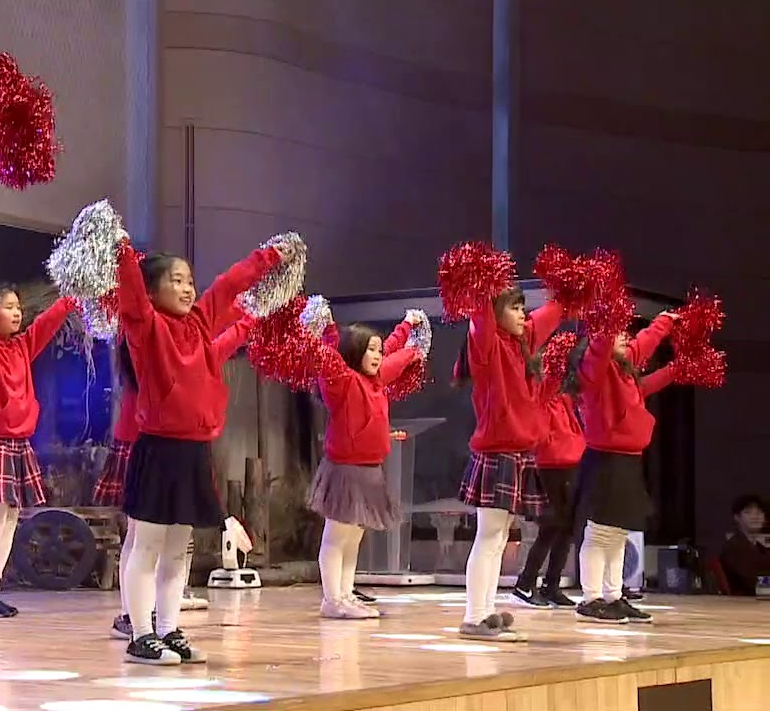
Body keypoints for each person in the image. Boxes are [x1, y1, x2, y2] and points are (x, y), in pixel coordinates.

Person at [114, 236, 293, 665]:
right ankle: (140, 634)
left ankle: (169, 629)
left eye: (189, 280)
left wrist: (268, 257)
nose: (187, 287)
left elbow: (229, 286)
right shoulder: (145, 326)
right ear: (153, 291)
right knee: (148, 546)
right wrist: (122, 253)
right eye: (176, 281)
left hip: (195, 451)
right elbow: (131, 294)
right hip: (159, 450)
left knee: (180, 548)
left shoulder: (199, 323)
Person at [101, 311, 256, 640]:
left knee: (169, 541)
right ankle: (135, 618)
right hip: (147, 448)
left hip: (179, 449)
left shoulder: (183, 354)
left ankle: (160, 616)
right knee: (140, 538)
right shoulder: (147, 349)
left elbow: (222, 343)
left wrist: (251, 314)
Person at [0, 284, 76, 617]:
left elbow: (47, 324)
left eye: (18, 306)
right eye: (7, 306)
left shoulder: (22, 346)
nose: (17, 312)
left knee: (8, 520)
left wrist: (72, 297)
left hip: (18, 442)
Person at [450, 286, 563, 642]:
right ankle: (474, 616)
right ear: (496, 311)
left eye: (522, 308)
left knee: (499, 537)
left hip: (515, 453)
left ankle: (485, 610)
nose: (522, 315)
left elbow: (548, 317)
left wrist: (572, 293)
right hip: (497, 452)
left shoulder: (521, 343)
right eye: (514, 308)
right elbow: (480, 320)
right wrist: (481, 287)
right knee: (489, 536)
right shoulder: (486, 346)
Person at [307, 312, 427, 620]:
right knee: (337, 536)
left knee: (353, 537)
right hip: (345, 471)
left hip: (370, 470)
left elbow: (396, 351)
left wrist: (409, 329)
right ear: (354, 351)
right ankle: (332, 599)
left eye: (378, 350)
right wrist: (329, 329)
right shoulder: (342, 382)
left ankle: (345, 594)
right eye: (370, 349)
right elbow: (328, 357)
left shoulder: (377, 379)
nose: (377, 355)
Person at [573, 312, 679, 624]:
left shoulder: (624, 371)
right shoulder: (595, 370)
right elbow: (604, 344)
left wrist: (665, 325)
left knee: (617, 532)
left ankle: (613, 595)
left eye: (624, 332)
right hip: (605, 460)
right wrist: (606, 323)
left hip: (628, 459)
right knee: (600, 532)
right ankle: (590, 598)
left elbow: (643, 344)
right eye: (614, 331)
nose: (623, 336)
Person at [512, 335, 583, 609]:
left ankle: (551, 585)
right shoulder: (539, 397)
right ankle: (525, 584)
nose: (554, 373)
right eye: (548, 367)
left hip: (570, 466)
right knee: (550, 528)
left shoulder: (562, 400)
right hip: (551, 467)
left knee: (565, 530)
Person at [720, 494, 770, 596]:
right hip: (745, 604)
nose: (755, 516)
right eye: (748, 512)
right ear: (737, 517)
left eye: (759, 512)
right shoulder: (734, 547)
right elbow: (752, 582)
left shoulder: (761, 549)